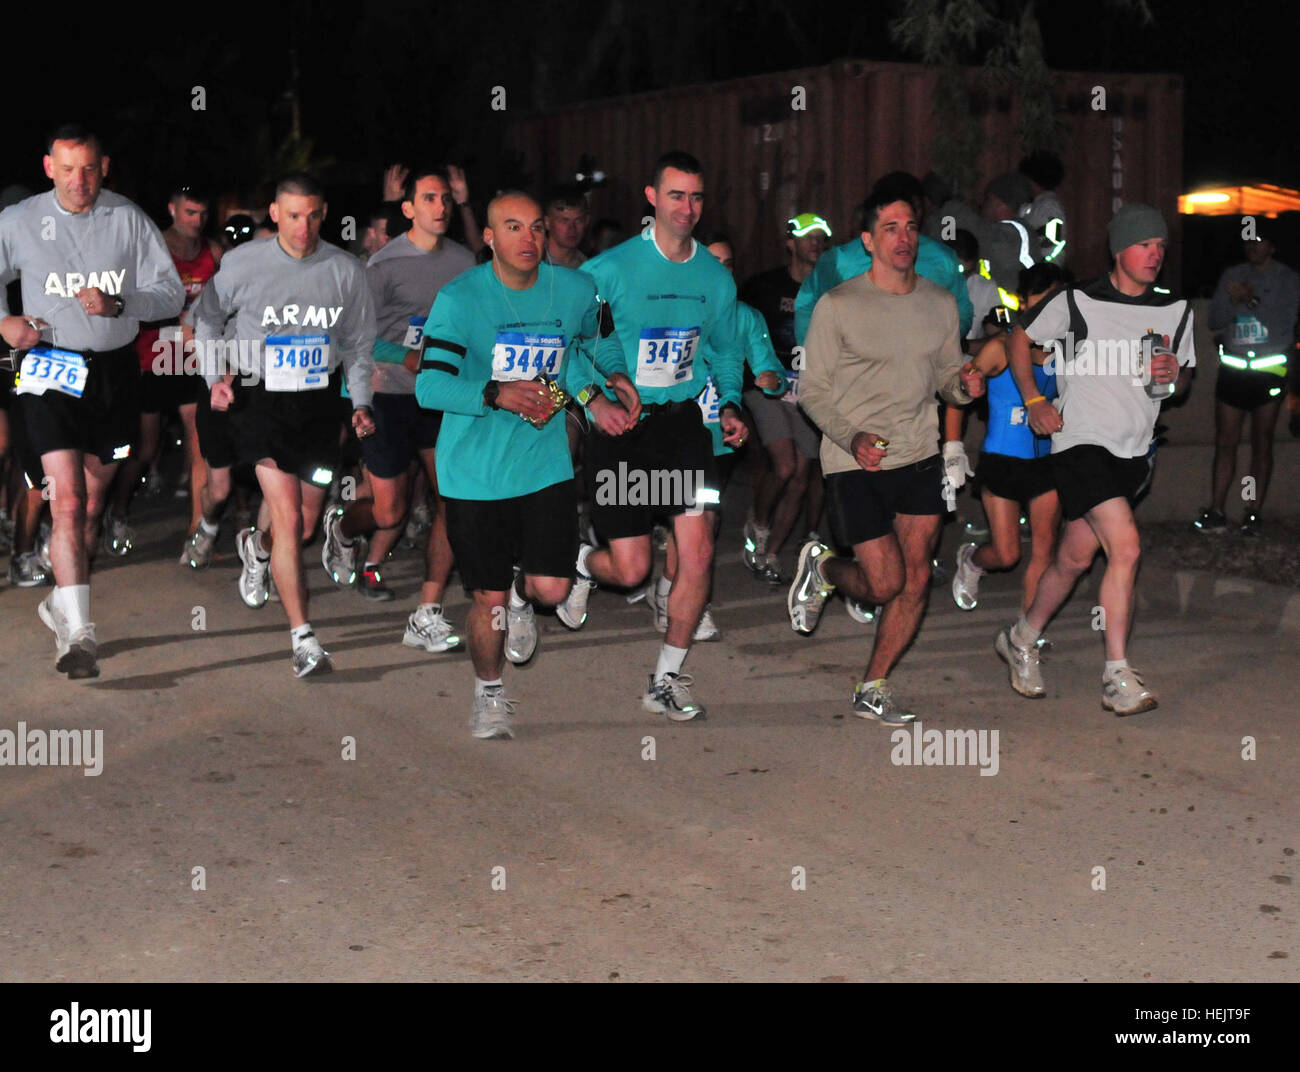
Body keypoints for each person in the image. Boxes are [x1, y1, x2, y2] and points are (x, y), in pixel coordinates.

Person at [414, 190, 634, 738]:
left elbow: (587, 347)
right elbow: (429, 385)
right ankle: (489, 695)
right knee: (486, 599)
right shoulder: (460, 299)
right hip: (475, 474)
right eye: (512, 228)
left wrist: (606, 387)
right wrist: (496, 394)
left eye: (536, 228)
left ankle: (525, 594)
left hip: (544, 466)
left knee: (552, 592)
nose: (528, 239)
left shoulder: (576, 287)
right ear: (488, 237)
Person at [558, 151, 750, 721]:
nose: (687, 208)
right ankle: (582, 563)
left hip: (682, 427)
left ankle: (666, 679)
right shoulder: (608, 271)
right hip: (622, 430)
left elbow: (722, 346)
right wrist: (594, 402)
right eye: (675, 195)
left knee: (699, 550)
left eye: (695, 197)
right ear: (651, 197)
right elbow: (568, 344)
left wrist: (732, 401)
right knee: (634, 570)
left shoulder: (714, 279)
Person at [789, 189, 985, 725]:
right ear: (869, 241)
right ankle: (825, 568)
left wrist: (965, 386)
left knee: (916, 578)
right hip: (854, 460)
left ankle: (873, 684)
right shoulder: (839, 305)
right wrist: (850, 437)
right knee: (884, 583)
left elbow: (947, 378)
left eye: (911, 226)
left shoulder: (940, 304)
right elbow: (813, 391)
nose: (905, 237)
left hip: (918, 452)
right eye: (892, 228)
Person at [993, 204, 1194, 716]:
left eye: (1161, 246)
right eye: (1145, 244)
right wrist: (1035, 402)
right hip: (1080, 443)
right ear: (1118, 249)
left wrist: (1173, 373)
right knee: (1125, 548)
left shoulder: (1175, 309)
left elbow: (1181, 380)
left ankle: (1020, 638)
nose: (1155, 254)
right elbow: (1020, 337)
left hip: (1134, 451)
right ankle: (1116, 676)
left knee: (1075, 558)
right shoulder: (1076, 298)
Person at [0, 124, 185, 678]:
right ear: (48, 166)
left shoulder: (129, 219)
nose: (78, 181)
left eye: (89, 169)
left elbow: (171, 292)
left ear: (105, 168)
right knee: (68, 502)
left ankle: (63, 599)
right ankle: (80, 634)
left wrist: (120, 302)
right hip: (49, 368)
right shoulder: (18, 220)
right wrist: (4, 322)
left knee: (92, 509)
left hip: (112, 374)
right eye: (67, 168)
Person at [192, 172, 377, 678]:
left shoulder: (344, 270)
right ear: (275, 214)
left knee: (308, 521)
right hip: (260, 401)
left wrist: (359, 401)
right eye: (293, 215)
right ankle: (303, 638)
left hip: (318, 406)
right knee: (290, 518)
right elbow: (206, 318)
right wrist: (215, 378)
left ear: (324, 213)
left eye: (314, 215)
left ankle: (257, 547)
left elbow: (360, 343)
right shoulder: (242, 263)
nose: (304, 225)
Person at [320, 167, 474, 661]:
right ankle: (343, 529)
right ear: (408, 209)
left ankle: (427, 611)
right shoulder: (382, 266)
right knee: (390, 510)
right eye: (430, 198)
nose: (441, 207)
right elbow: (350, 337)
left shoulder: (464, 261)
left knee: (453, 498)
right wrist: (402, 355)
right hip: (389, 395)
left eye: (446, 199)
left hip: (441, 397)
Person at [645, 233, 786, 639]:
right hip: (677, 438)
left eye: (728, 265)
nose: (721, 272)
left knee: (701, 524)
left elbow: (770, 371)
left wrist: (769, 379)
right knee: (694, 525)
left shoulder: (746, 318)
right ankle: (682, 602)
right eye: (713, 262)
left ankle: (671, 595)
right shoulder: (673, 311)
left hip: (720, 444)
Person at [106, 185, 223, 558]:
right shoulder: (151, 249)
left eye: (202, 214)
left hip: (193, 360)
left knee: (199, 446)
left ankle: (196, 534)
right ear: (172, 209)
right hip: (152, 358)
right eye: (190, 213)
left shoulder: (214, 252)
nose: (197, 221)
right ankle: (118, 511)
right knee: (145, 448)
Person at [949, 263, 1066, 616]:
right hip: (1002, 462)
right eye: (1041, 303)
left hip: (1048, 463)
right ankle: (972, 561)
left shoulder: (1070, 350)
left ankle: (1027, 634)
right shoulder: (999, 348)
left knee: (1045, 550)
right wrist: (953, 448)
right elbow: (959, 392)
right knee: (1007, 554)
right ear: (1022, 302)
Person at [739, 212, 831, 584]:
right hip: (767, 386)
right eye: (808, 236)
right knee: (785, 465)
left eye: (821, 238)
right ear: (790, 242)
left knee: (802, 474)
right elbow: (738, 328)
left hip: (809, 388)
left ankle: (771, 553)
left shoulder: (830, 290)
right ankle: (759, 522)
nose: (815, 243)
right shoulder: (762, 286)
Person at [1195, 228, 1300, 535]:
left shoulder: (1287, 279)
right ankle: (1216, 509)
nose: (1252, 246)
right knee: (1225, 442)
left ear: (1272, 246)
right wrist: (1232, 300)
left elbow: (1284, 323)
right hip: (1234, 370)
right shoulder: (1233, 274)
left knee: (1261, 442)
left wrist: (1252, 301)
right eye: (1248, 241)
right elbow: (1214, 320)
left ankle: (1251, 511)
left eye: (1259, 241)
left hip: (1268, 371)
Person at [794, 171, 973, 345]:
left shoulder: (941, 259)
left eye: (911, 210)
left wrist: (935, 345)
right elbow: (808, 305)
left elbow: (961, 312)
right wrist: (816, 357)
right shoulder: (841, 260)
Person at [1018, 151, 1067, 267]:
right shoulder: (1032, 205)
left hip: (1045, 274)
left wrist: (1043, 268)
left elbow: (1052, 243)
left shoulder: (1049, 206)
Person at [543, 185, 590, 269]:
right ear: (547, 222)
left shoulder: (588, 269)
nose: (572, 228)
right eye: (564, 221)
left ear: (586, 221)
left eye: (578, 221)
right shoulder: (532, 264)